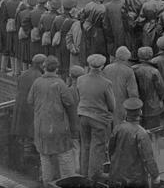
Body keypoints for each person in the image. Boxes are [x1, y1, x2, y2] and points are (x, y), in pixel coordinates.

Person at [27, 56, 79, 185]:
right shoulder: (60, 83)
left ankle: (48, 185)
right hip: (59, 128)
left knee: (45, 159)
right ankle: (67, 184)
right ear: (57, 69)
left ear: (44, 67)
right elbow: (69, 102)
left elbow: (30, 100)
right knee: (65, 158)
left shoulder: (37, 82)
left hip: (41, 128)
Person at [76, 53, 115, 181]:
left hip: (83, 116)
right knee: (97, 147)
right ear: (102, 66)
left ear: (89, 65)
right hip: (99, 119)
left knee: (85, 145)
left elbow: (79, 96)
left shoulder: (80, 79)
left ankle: (84, 173)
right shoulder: (106, 83)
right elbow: (112, 106)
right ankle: (95, 175)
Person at [108, 97, 161, 187]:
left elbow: (110, 151)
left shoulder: (117, 128)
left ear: (126, 113)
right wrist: (155, 176)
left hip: (116, 178)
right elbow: (148, 158)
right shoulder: (141, 134)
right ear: (140, 112)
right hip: (135, 180)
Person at [11, 53, 46, 171]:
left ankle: (25, 157)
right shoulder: (39, 77)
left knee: (25, 133)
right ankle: (32, 161)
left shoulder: (24, 73)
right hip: (31, 108)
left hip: (21, 107)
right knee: (33, 133)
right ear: (40, 65)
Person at [103, 46, 139, 125]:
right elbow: (133, 93)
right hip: (122, 105)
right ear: (127, 58)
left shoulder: (107, 68)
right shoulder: (129, 71)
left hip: (108, 103)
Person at [133, 46, 164, 129]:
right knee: (154, 130)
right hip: (153, 107)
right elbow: (161, 88)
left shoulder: (133, 69)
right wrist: (162, 100)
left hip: (138, 106)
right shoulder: (154, 71)